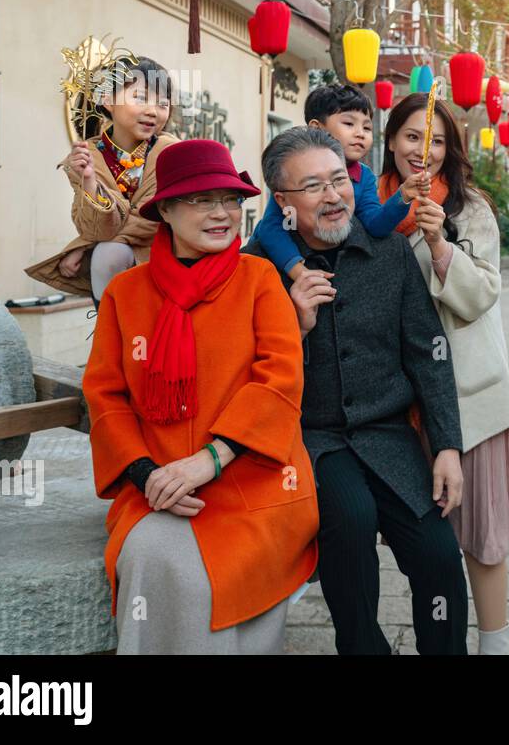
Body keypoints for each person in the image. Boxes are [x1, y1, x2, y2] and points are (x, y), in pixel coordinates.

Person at [82, 139, 319, 654]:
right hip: (161, 484)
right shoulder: (126, 292)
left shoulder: (259, 279)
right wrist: (145, 474)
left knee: (217, 571)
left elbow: (279, 378)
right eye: (201, 200)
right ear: (165, 209)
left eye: (230, 201)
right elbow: (106, 395)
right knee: (152, 554)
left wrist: (210, 460)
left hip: (252, 478)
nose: (221, 214)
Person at [243, 125, 469, 655]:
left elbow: (427, 352)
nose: (333, 197)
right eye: (314, 186)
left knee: (438, 555)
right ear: (283, 202)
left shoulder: (388, 252)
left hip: (388, 436)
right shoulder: (258, 268)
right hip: (313, 439)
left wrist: (448, 446)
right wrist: (292, 322)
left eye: (340, 181)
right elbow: (247, 372)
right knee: (350, 519)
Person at [378, 93, 509, 655]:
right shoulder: (372, 209)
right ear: (392, 142)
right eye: (413, 137)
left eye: (437, 140)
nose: (425, 150)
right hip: (399, 404)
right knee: (427, 542)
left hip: (471, 400)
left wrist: (440, 241)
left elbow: (483, 293)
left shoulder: (469, 209)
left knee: (482, 537)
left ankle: (495, 646)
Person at [26, 56, 180, 304]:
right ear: (107, 99)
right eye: (140, 98)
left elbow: (153, 219)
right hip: (117, 266)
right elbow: (97, 228)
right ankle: (110, 329)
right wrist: (88, 182)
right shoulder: (87, 157)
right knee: (109, 253)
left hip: (167, 256)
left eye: (162, 104)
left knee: (108, 248)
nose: (153, 111)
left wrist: (84, 245)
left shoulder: (173, 153)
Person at [249, 82, 425, 280]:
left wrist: (402, 197)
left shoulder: (364, 176)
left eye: (366, 127)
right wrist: (297, 270)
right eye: (349, 124)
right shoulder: (292, 178)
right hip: (279, 265)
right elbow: (273, 228)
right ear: (316, 128)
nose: (360, 133)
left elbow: (375, 224)